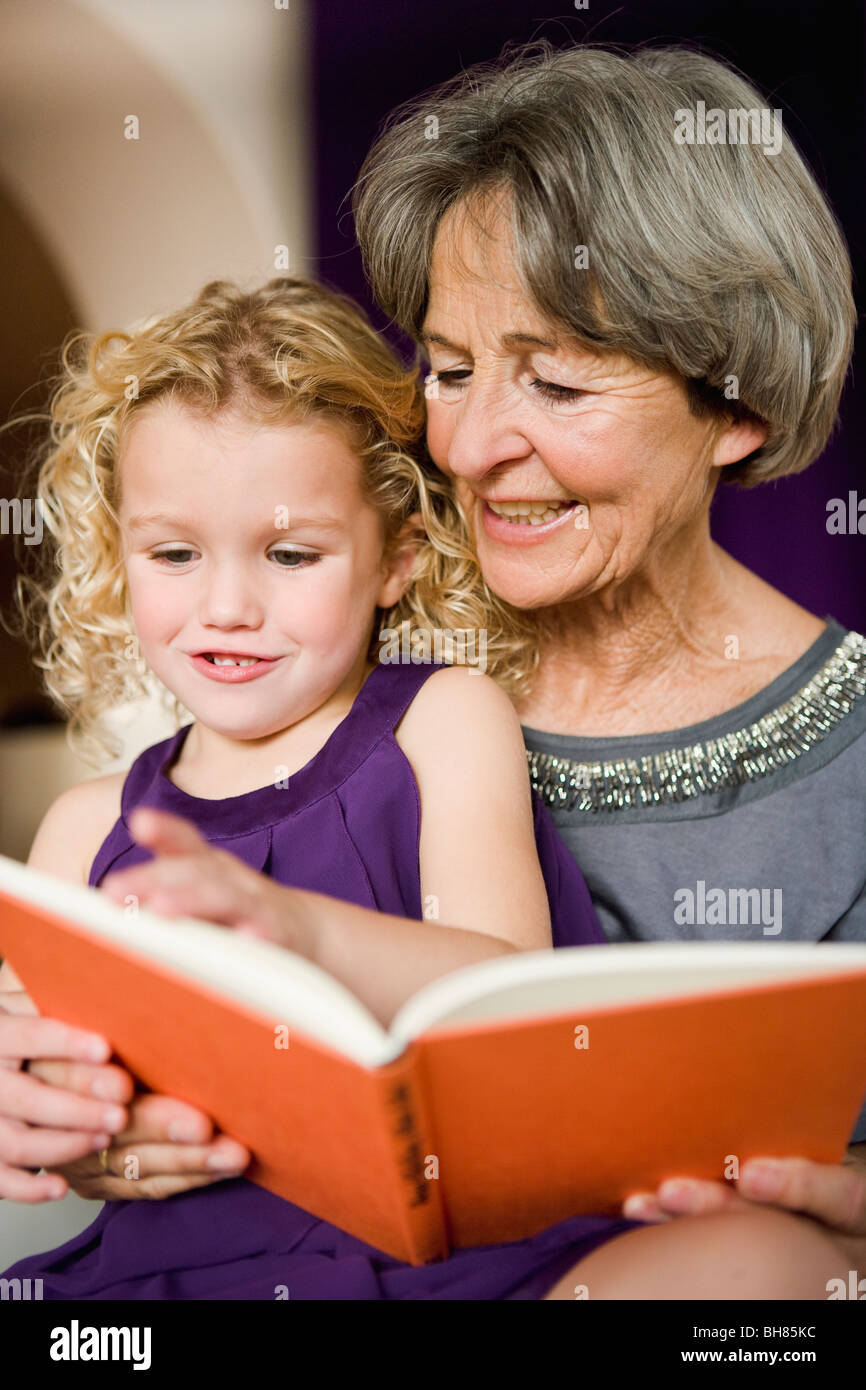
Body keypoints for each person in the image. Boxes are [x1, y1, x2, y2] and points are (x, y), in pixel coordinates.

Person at [4, 36, 864, 1298]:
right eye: (450, 371)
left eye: (559, 384)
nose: (469, 442)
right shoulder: (318, 656)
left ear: (737, 407)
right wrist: (61, 1118)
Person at [0, 272, 628, 1300]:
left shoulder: (443, 720)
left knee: (757, 1269)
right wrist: (51, 1115)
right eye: (173, 552)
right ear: (119, 554)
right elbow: (47, 1087)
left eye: (290, 552)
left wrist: (296, 928)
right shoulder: (85, 829)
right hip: (171, 1279)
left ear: (394, 559)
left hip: (447, 1258)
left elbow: (514, 1011)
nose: (228, 606)